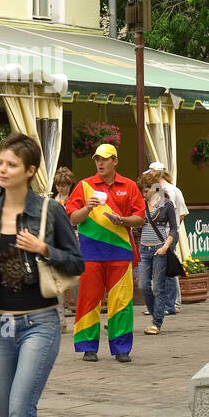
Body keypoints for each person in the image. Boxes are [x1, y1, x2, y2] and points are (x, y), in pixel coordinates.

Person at [0, 133, 83, 417]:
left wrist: (44, 248)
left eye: (11, 164)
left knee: (19, 412)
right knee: (8, 414)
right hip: (1, 324)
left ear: (29, 171)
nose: (2, 170)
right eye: (0, 162)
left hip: (39, 323)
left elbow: (77, 262)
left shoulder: (48, 212)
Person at [66, 143, 145, 362]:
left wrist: (122, 220)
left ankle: (121, 348)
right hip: (90, 253)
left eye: (104, 159)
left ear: (115, 161)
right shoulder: (84, 186)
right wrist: (87, 208)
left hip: (120, 252)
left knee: (122, 302)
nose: (100, 163)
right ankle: (87, 347)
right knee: (88, 300)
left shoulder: (129, 186)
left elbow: (140, 217)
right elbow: (72, 218)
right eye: (97, 159)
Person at [135, 171, 178, 337]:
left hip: (160, 249)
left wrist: (166, 246)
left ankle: (156, 322)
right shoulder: (141, 205)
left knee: (157, 287)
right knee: (143, 285)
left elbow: (173, 229)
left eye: (146, 191)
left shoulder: (167, 205)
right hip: (144, 249)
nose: (144, 194)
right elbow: (137, 225)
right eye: (143, 191)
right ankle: (156, 315)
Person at [142, 162, 186, 315]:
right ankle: (168, 304)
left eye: (150, 173)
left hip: (164, 235)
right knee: (165, 269)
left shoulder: (167, 191)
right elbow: (181, 215)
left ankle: (168, 304)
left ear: (156, 173)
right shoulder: (175, 190)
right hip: (167, 234)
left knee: (164, 270)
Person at [53, 167, 77, 313]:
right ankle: (60, 317)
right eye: (58, 185)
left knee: (76, 281)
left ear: (70, 185)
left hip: (74, 242)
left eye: (64, 185)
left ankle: (81, 313)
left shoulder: (74, 200)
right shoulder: (52, 201)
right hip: (57, 244)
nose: (61, 188)